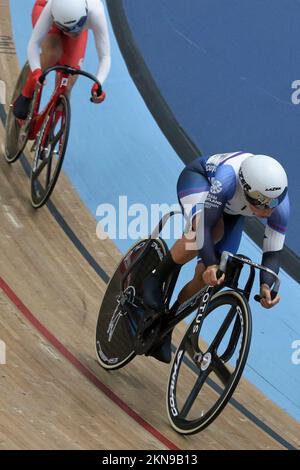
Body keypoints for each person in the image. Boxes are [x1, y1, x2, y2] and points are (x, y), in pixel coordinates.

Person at [143, 152, 290, 363]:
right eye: (263, 202)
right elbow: (205, 227)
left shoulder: (279, 206)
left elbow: (273, 252)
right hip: (200, 181)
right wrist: (210, 262)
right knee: (214, 233)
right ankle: (155, 278)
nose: (269, 209)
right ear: (247, 189)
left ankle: (166, 325)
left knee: (215, 274)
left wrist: (266, 286)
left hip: (234, 210)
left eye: (274, 202)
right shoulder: (227, 178)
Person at [13, 0, 111, 120]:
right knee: (53, 53)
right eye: (70, 30)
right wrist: (36, 72)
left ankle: (49, 133)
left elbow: (105, 57)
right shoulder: (50, 9)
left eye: (77, 27)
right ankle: (26, 94)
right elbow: (34, 44)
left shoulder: (96, 11)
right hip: (46, 8)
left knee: (69, 78)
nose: (74, 33)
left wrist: (98, 83)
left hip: (67, 17)